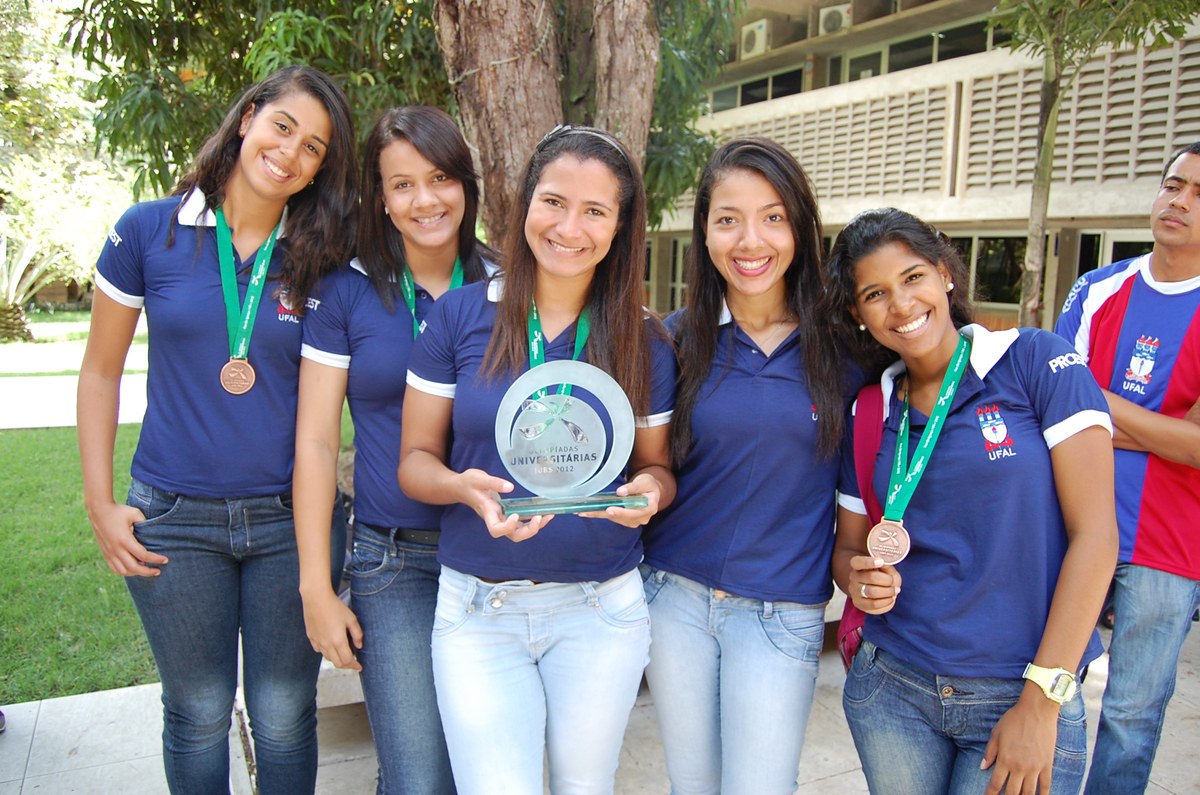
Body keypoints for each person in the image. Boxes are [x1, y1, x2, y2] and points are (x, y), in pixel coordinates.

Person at [77, 67, 358, 794]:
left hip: (287, 520)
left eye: (314, 148)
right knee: (199, 709)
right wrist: (100, 502)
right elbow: (99, 372)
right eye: (284, 127)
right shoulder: (150, 230)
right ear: (248, 118)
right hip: (174, 518)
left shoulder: (321, 259)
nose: (291, 153)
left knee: (284, 711)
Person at [397, 125, 676, 793]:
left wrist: (648, 492)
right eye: (553, 201)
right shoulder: (460, 317)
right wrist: (465, 490)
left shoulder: (643, 339)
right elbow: (414, 461)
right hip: (477, 612)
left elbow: (659, 468)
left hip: (600, 610)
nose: (569, 226)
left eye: (595, 210)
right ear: (524, 203)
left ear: (620, 226)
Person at [822, 207, 1118, 795]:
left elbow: (1097, 538)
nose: (902, 305)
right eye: (876, 294)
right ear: (858, 315)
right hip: (893, 689)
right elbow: (848, 549)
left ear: (944, 274)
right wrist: (857, 581)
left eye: (912, 278)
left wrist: (1042, 701)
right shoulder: (869, 409)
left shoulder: (1035, 362)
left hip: (1019, 690)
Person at [639, 136, 857, 794]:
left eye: (772, 216)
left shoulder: (847, 353)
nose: (749, 240)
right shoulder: (673, 341)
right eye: (727, 218)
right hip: (674, 598)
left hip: (780, 610)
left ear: (799, 227)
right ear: (704, 231)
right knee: (693, 785)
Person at [294, 105, 495, 795]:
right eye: (401, 184)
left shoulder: (511, 283)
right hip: (393, 558)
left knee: (489, 769)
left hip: (498, 554)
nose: (424, 200)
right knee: (418, 777)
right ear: (380, 197)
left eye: (440, 177)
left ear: (465, 184)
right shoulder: (345, 291)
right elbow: (317, 443)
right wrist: (318, 587)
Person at [1054, 142, 1200, 795]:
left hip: (1171, 543)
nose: (1180, 201)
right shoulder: (1095, 290)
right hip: (1073, 524)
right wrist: (1168, 429)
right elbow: (1056, 410)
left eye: (1199, 194)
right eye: (1174, 184)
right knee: (1047, 687)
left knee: (1133, 717)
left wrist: (1105, 406)